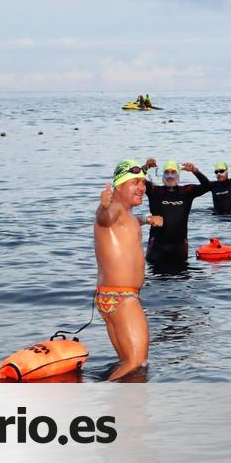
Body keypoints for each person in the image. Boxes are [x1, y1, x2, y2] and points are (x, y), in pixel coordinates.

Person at [94, 159, 162, 381]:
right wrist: (103, 207)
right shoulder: (113, 207)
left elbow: (126, 222)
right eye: (135, 182)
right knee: (137, 363)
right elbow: (106, 219)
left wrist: (147, 219)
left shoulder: (126, 213)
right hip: (123, 298)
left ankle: (118, 407)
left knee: (127, 362)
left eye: (143, 182)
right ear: (119, 185)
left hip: (108, 296)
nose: (142, 187)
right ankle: (98, 400)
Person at [140, 158, 211, 262]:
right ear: (163, 175)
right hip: (157, 246)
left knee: (182, 275)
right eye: (167, 173)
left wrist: (195, 171)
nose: (170, 176)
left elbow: (207, 186)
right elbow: (136, 179)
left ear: (178, 175)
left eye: (173, 172)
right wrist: (146, 167)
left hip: (179, 247)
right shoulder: (154, 190)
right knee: (155, 276)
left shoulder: (186, 191)